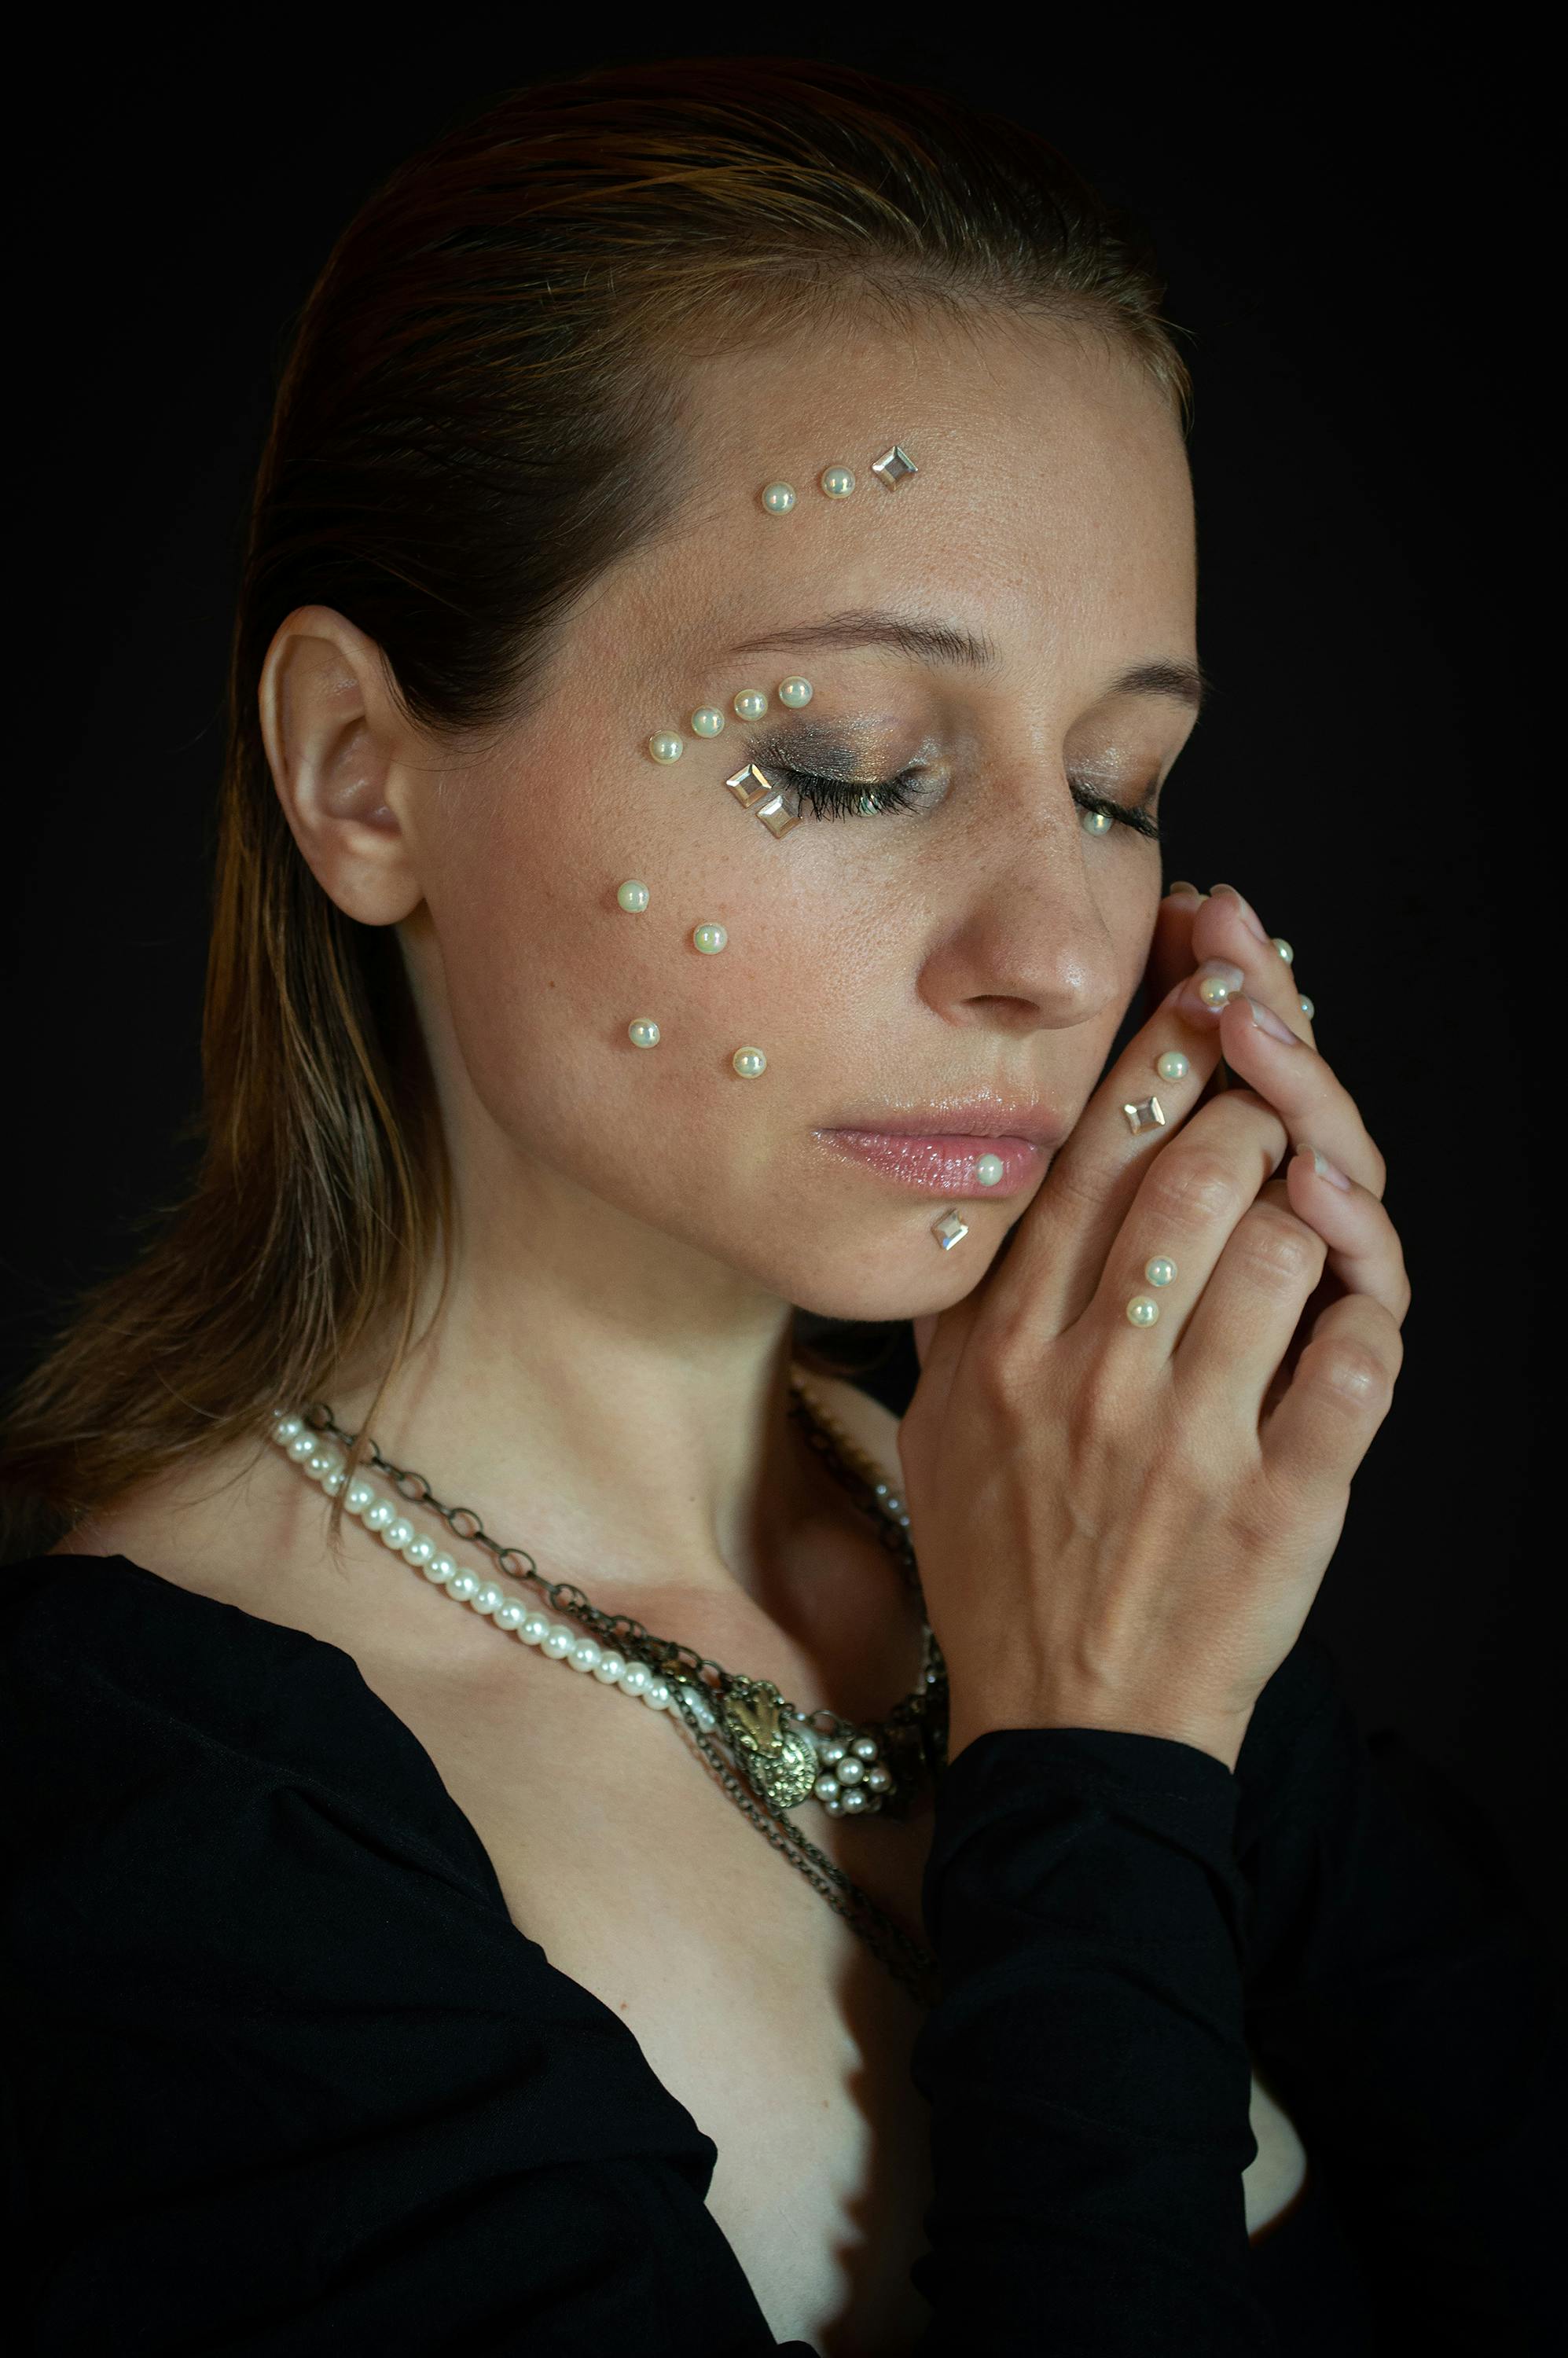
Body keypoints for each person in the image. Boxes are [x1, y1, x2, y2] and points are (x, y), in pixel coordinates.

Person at [1, 54, 1558, 2358]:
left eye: (1121, 785)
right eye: (844, 762)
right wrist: (1097, 1773)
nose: (1051, 947)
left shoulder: (1054, 1542)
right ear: (359, 777)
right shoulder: (135, 1848)